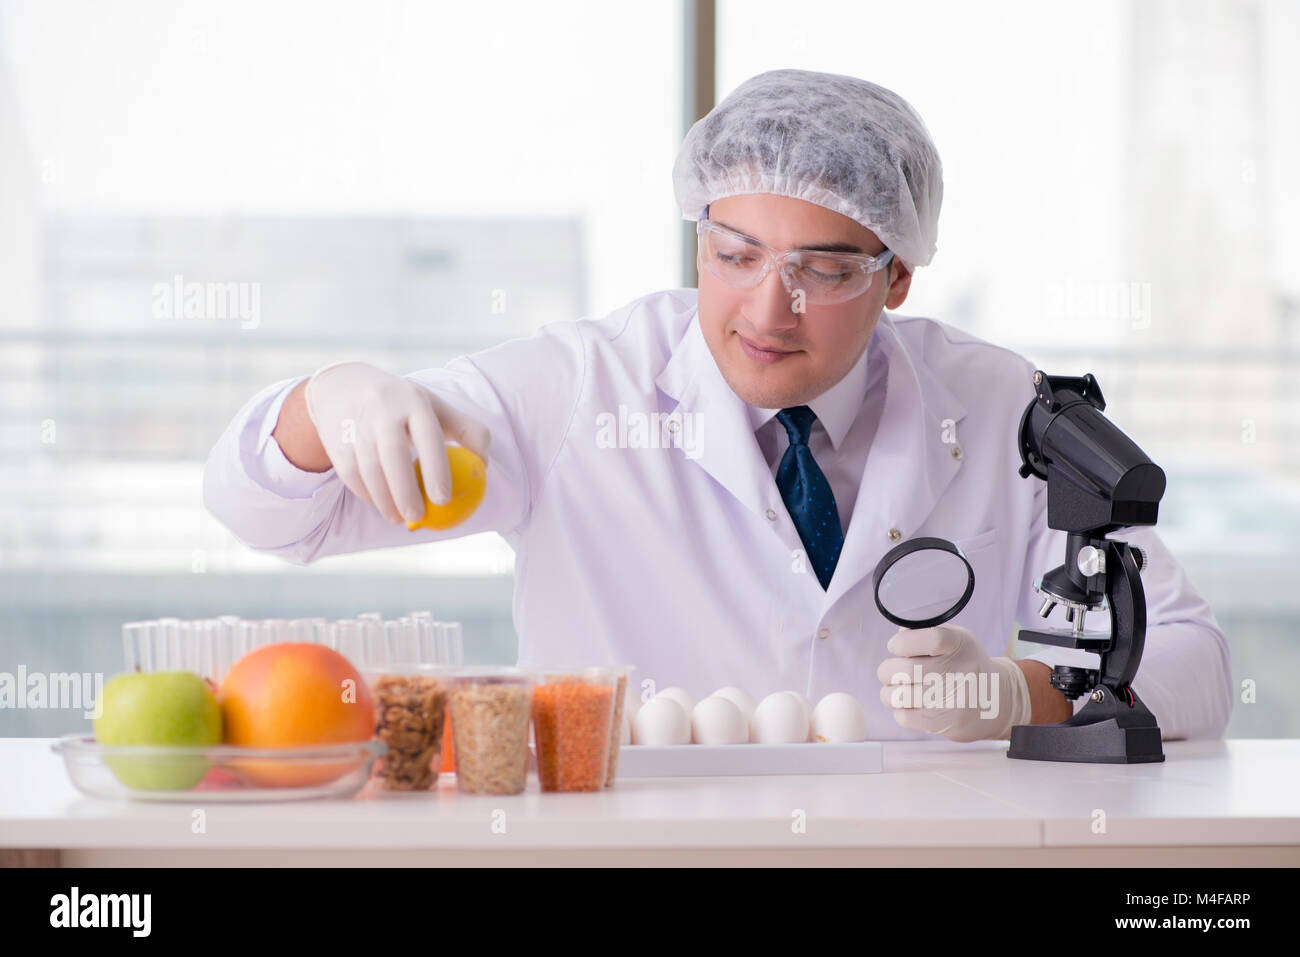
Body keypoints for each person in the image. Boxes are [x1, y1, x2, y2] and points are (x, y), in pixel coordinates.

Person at [204, 69, 1232, 743]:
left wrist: (1024, 695)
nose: (765, 310)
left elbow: (1193, 660)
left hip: (916, 854)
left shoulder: (999, 407)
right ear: (699, 238)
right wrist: (322, 402)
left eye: (823, 271)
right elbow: (269, 515)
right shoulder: (581, 389)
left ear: (898, 279)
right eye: (734, 255)